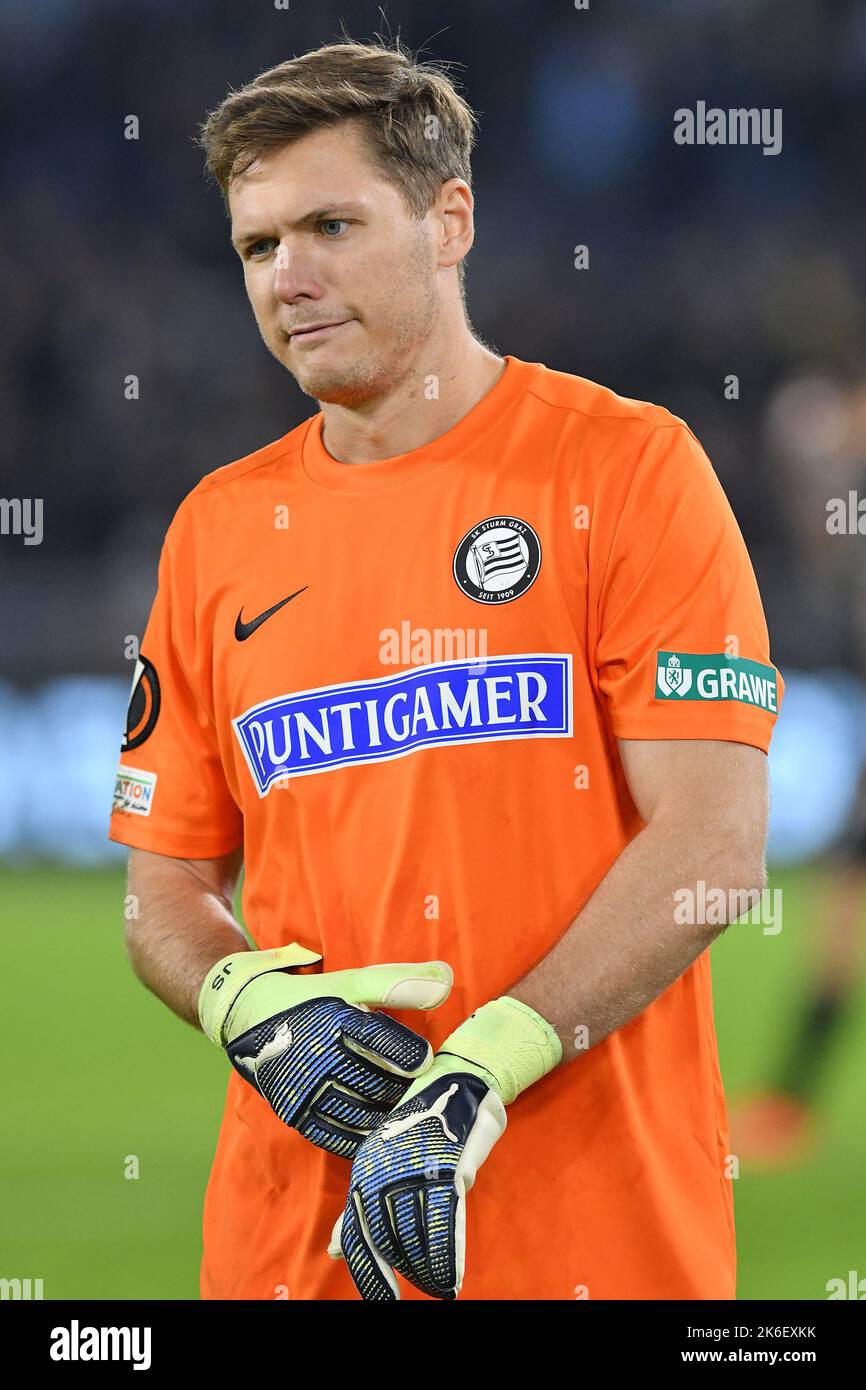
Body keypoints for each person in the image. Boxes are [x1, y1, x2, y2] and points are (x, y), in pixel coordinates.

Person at [109, 37, 783, 1300]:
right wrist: (239, 1000)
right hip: (291, 1252)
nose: (288, 277)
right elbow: (162, 891)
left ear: (448, 219)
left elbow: (712, 847)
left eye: (328, 225)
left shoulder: (625, 470)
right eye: (257, 246)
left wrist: (487, 1062)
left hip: (594, 1241)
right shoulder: (215, 527)